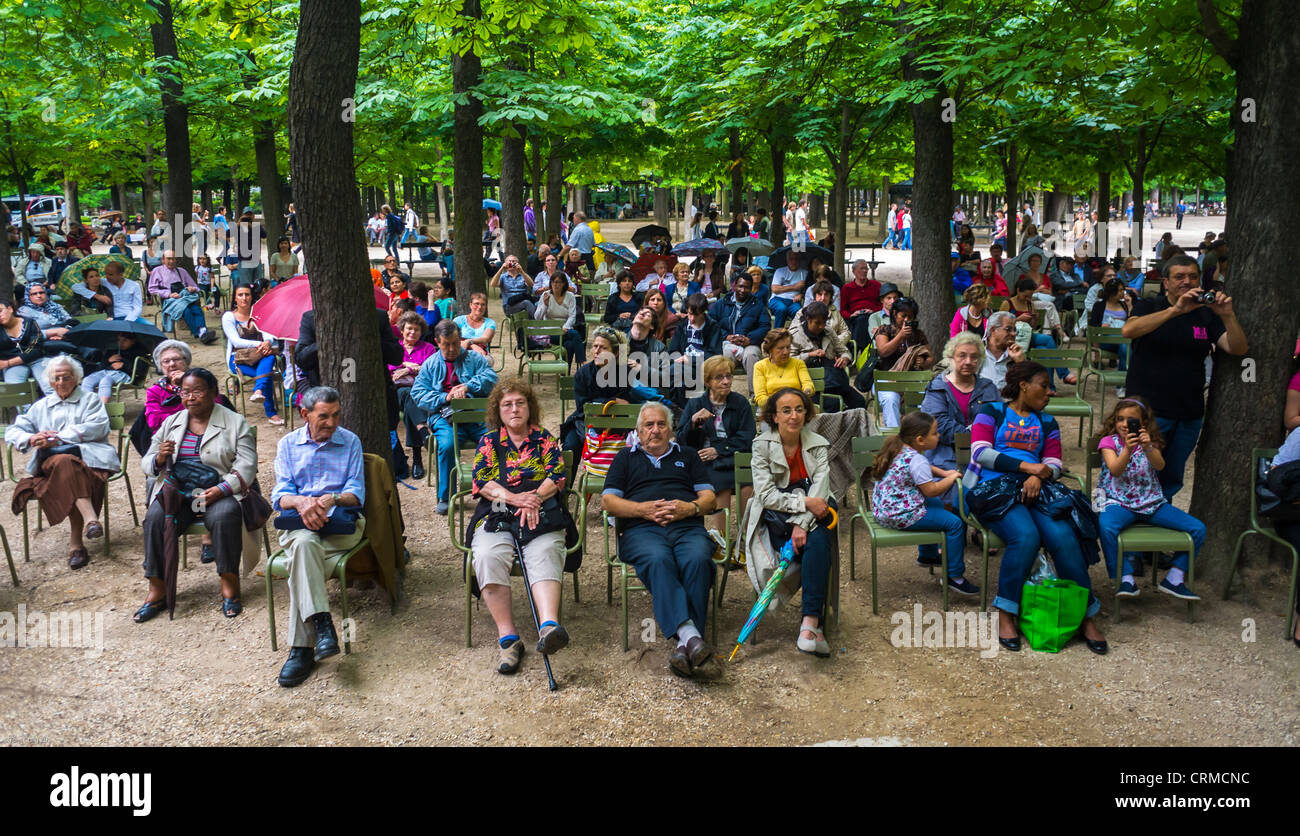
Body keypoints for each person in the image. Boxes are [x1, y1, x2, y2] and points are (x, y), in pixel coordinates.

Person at [969, 361, 1108, 654]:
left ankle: (1085, 613)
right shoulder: (991, 411)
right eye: (1044, 386)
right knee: (1026, 536)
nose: (1049, 392)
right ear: (1023, 385)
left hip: (1037, 488)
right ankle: (1006, 610)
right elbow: (981, 452)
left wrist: (1035, 475)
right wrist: (1027, 466)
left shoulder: (1047, 422)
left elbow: (1055, 462)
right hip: (994, 490)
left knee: (1063, 537)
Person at [602, 401, 719, 678]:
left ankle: (683, 647)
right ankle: (692, 636)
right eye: (648, 425)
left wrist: (688, 508)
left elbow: (709, 498)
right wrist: (643, 510)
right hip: (641, 529)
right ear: (638, 432)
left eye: (661, 424)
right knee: (658, 559)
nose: (655, 430)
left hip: (686, 526)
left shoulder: (688, 456)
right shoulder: (625, 458)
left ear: (671, 429)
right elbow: (608, 501)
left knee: (698, 557)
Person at [465, 379, 572, 674]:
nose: (514, 409)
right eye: (507, 404)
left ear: (530, 406)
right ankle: (508, 639)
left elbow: (557, 475)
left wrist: (533, 499)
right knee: (487, 554)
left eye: (520, 403)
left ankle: (549, 627)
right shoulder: (489, 442)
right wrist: (516, 499)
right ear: (498, 410)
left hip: (540, 508)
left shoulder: (545, 439)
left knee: (547, 547)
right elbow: (483, 483)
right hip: (498, 510)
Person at [135, 367, 259, 622]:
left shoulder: (235, 423)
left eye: (197, 391)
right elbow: (147, 463)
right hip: (180, 491)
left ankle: (229, 584)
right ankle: (158, 589)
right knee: (155, 518)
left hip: (219, 489)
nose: (190, 397)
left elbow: (247, 465)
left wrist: (221, 489)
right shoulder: (172, 422)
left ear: (213, 392)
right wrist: (159, 458)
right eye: (185, 391)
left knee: (224, 516)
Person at [1122, 255, 1247, 500]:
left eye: (1192, 276)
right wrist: (1174, 311)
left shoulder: (1206, 314)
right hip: (1149, 411)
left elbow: (1238, 348)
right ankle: (1135, 520)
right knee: (1139, 473)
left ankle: (1161, 521)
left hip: (1188, 413)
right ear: (1166, 282)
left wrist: (1227, 316)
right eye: (1179, 277)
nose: (1186, 282)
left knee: (1171, 477)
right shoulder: (1150, 305)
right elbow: (1129, 330)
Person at [270, 386, 367, 687]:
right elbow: (281, 494)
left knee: (301, 554)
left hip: (340, 528)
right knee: (304, 542)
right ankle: (322, 626)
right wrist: (302, 503)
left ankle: (302, 648)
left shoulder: (350, 441)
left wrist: (330, 499)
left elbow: (356, 494)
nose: (332, 422)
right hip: (301, 526)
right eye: (324, 416)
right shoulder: (288, 445)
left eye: (336, 415)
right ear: (305, 414)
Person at [741, 387, 837, 654]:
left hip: (813, 514)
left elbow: (820, 492)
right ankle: (811, 628)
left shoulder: (818, 443)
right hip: (776, 515)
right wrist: (803, 505)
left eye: (799, 409)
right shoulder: (761, 445)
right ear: (774, 416)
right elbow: (767, 495)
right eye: (786, 410)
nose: (793, 416)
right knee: (817, 545)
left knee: (817, 539)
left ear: (806, 413)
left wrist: (802, 523)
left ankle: (809, 623)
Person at [5, 356, 119, 570]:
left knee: (68, 467)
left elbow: (99, 427)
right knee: (65, 462)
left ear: (76, 378)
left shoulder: (90, 400)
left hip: (89, 459)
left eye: (66, 377)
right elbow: (13, 430)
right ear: (49, 381)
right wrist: (31, 438)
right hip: (50, 464)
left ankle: (76, 546)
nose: (61, 382)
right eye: (56, 378)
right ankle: (90, 520)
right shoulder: (41, 406)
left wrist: (59, 437)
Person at [1093, 397, 1205, 601]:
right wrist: (1127, 449)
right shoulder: (1108, 442)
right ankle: (1124, 577)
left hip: (1151, 503)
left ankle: (1174, 578)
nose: (1125, 425)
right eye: (1120, 419)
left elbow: (1160, 465)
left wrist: (1148, 447)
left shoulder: (1150, 442)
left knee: (1198, 529)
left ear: (1143, 424)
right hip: (1117, 501)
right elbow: (1115, 470)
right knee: (1106, 526)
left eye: (1131, 420)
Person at [871, 410, 975, 595]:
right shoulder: (917, 460)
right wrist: (950, 479)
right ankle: (954, 576)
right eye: (935, 433)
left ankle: (927, 556)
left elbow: (925, 470)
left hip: (884, 509)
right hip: (901, 514)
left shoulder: (899, 448)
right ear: (920, 440)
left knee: (934, 504)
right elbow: (932, 490)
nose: (939, 435)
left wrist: (943, 473)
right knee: (954, 523)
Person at [411, 320, 498, 514]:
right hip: (445, 418)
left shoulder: (474, 359)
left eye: (455, 343)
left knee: (493, 441)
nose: (452, 348)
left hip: (475, 416)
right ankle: (446, 494)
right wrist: (445, 397)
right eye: (446, 344)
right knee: (448, 445)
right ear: (437, 342)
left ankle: (490, 490)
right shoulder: (430, 364)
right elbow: (418, 393)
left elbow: (492, 378)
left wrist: (469, 386)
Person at [677, 354, 755, 536]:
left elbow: (747, 437)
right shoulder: (696, 403)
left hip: (733, 457)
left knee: (748, 485)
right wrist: (693, 424)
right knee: (721, 485)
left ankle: (746, 536)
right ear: (708, 381)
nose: (726, 381)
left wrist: (719, 450)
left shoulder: (740, 403)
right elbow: (681, 440)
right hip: (706, 462)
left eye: (728, 376)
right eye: (719, 377)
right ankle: (722, 538)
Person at [921, 332, 1000, 504]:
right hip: (945, 456)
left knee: (996, 489)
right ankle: (956, 529)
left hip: (983, 455)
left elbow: (998, 419)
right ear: (950, 358)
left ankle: (983, 528)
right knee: (953, 492)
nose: (968, 362)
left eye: (974, 357)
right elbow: (939, 424)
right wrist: (976, 434)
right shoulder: (937, 388)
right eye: (962, 356)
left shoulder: (988, 387)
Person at [222, 285, 284, 425]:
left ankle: (258, 391)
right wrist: (260, 345)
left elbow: (268, 333)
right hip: (238, 359)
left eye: (247, 294)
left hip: (260, 355)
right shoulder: (229, 316)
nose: (244, 298)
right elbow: (235, 341)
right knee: (265, 373)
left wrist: (267, 341)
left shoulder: (259, 313)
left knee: (269, 358)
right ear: (235, 298)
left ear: (252, 297)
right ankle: (271, 413)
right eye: (240, 295)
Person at [790, 300, 863, 410]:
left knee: (859, 402)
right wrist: (809, 355)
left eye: (823, 322)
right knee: (833, 404)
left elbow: (843, 350)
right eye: (817, 323)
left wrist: (845, 358)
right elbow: (789, 361)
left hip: (833, 380)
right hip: (809, 384)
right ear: (808, 319)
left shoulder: (828, 331)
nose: (821, 326)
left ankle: (846, 424)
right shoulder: (795, 335)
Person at [873, 297, 931, 427]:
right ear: (894, 314)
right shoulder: (884, 330)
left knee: (928, 398)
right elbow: (883, 351)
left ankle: (920, 435)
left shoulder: (918, 334)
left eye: (910, 317)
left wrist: (922, 362)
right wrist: (900, 336)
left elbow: (930, 358)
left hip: (912, 381)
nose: (906, 320)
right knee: (891, 399)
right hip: (887, 380)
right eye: (903, 316)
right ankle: (895, 439)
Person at [148, 249, 217, 343]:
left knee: (197, 309)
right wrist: (168, 294)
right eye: (168, 259)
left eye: (173, 259)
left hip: (184, 298)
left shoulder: (181, 271)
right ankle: (200, 333)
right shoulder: (157, 271)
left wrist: (192, 288)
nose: (171, 261)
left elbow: (195, 287)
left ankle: (202, 332)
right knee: (186, 311)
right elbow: (152, 289)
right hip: (169, 301)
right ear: (163, 260)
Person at [752, 328, 813, 409]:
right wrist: (782, 404)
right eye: (781, 348)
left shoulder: (798, 363)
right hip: (772, 410)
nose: (786, 352)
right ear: (770, 349)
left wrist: (806, 392)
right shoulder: (760, 366)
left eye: (788, 347)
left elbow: (808, 385)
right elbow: (760, 398)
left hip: (797, 407)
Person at [535, 271, 584, 367]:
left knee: (569, 345)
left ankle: (565, 374)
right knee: (575, 334)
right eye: (553, 282)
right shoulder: (546, 295)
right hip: (550, 332)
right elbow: (537, 317)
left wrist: (565, 328)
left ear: (564, 284)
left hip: (565, 331)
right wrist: (545, 305)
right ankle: (582, 361)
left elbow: (572, 316)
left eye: (558, 282)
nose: (555, 284)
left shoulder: (570, 296)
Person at [839, 259, 883, 348]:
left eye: (866, 269)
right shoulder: (847, 288)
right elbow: (843, 310)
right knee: (861, 319)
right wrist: (851, 315)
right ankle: (866, 349)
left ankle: (856, 349)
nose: (865, 271)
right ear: (854, 271)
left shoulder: (876, 285)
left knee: (863, 320)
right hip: (855, 318)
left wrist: (873, 311)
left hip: (874, 316)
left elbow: (883, 304)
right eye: (861, 269)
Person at [0, 298, 44, 383]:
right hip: (13, 366)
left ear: (10, 309)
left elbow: (37, 349)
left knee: (51, 386)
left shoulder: (30, 322)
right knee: (16, 391)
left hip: (37, 360)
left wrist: (8, 363)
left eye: (0, 311)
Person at [979, 311, 1023, 389]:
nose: (1013, 334)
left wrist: (1020, 362)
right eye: (1008, 329)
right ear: (993, 330)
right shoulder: (977, 352)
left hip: (1008, 399)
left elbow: (1029, 385)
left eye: (1015, 330)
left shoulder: (1017, 355)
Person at [768, 250, 807, 329]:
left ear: (799, 260)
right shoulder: (780, 271)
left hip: (793, 301)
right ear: (787, 260)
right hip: (777, 299)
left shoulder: (804, 273)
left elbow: (808, 289)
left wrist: (801, 294)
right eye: (791, 259)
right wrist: (795, 287)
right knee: (781, 309)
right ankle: (777, 334)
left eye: (796, 259)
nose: (794, 261)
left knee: (799, 312)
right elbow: (775, 289)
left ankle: (795, 334)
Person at [491, 254, 536, 319]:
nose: (511, 263)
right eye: (509, 261)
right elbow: (493, 284)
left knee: (532, 304)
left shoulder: (523, 276)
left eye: (513, 261)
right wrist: (501, 268)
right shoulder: (503, 277)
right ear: (505, 263)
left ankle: (532, 326)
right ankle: (540, 323)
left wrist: (521, 271)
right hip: (509, 306)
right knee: (527, 303)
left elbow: (531, 284)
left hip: (522, 301)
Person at [454, 292, 496, 357]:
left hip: (482, 354)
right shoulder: (458, 320)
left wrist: (468, 341)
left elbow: (485, 339)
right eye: (477, 304)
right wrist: (472, 345)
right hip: (461, 353)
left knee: (486, 360)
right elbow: (453, 339)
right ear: (470, 305)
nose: (479, 307)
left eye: (483, 304)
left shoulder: (490, 322)